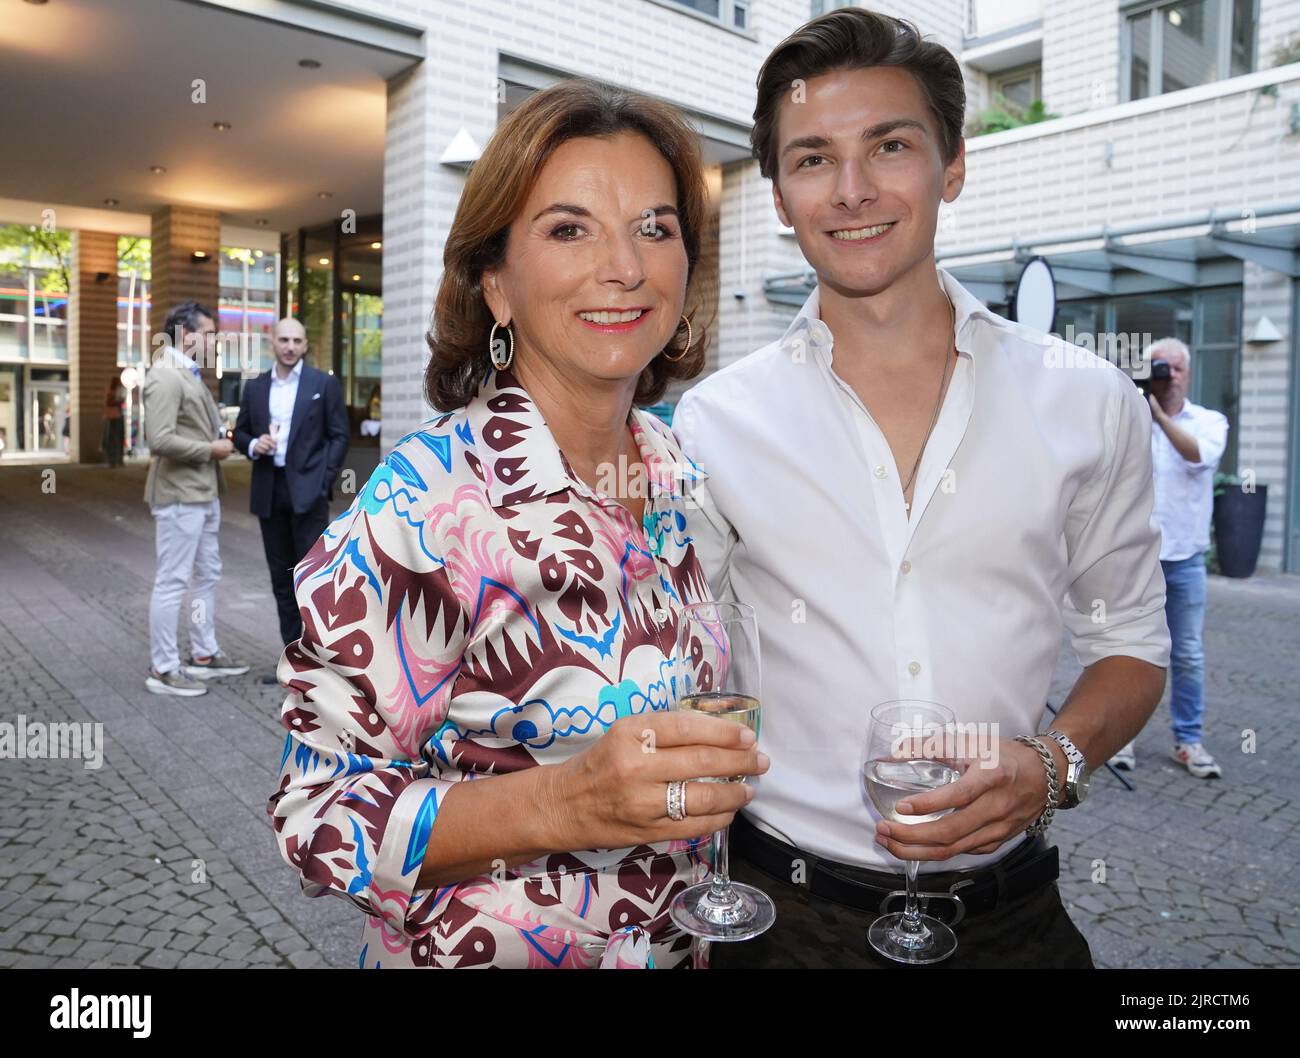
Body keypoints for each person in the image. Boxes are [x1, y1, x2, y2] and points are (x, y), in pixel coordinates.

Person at [672, 8, 1171, 969]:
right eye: (812, 158)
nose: (852, 190)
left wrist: (1053, 764)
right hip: (784, 920)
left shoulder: (1089, 401)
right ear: (777, 194)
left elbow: (1132, 647)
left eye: (889, 146)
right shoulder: (712, 424)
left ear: (952, 166)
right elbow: (689, 666)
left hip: (1009, 919)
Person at [266, 79, 768, 969]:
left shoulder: (678, 469)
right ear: (495, 281)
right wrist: (564, 804)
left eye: (656, 227)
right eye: (569, 228)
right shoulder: (426, 503)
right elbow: (319, 817)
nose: (625, 266)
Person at [1110, 338, 1228, 778]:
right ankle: (1121, 740)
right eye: (1161, 368)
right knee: (1126, 648)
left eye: (1177, 368)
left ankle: (1188, 741)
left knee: (1188, 654)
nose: (1170, 376)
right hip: (1136, 557)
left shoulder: (1209, 421)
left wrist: (1157, 416)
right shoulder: (1131, 418)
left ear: (1189, 373)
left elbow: (1198, 455)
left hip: (1184, 559)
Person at [143, 301, 249, 696]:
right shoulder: (165, 375)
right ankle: (164, 668)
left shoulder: (187, 372)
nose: (214, 340)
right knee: (172, 580)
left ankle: (203, 654)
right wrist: (210, 449)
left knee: (207, 575)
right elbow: (159, 439)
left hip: (202, 493)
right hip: (178, 495)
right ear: (185, 334)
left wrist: (217, 439)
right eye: (209, 333)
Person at [233, 317, 349, 654]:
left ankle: (320, 658)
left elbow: (338, 435)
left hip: (309, 494)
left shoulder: (322, 384)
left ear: (305, 345)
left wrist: (325, 480)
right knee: (281, 578)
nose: (290, 347)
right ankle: (291, 655)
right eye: (284, 340)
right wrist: (255, 444)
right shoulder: (255, 387)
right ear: (272, 342)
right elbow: (240, 433)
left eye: (297, 341)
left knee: (314, 579)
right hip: (270, 491)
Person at [102, 376, 126, 467]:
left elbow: (106, 402)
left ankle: (114, 460)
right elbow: (121, 400)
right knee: (117, 437)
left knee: (112, 438)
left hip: (111, 416)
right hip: (116, 415)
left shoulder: (110, 390)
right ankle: (117, 459)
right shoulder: (118, 390)